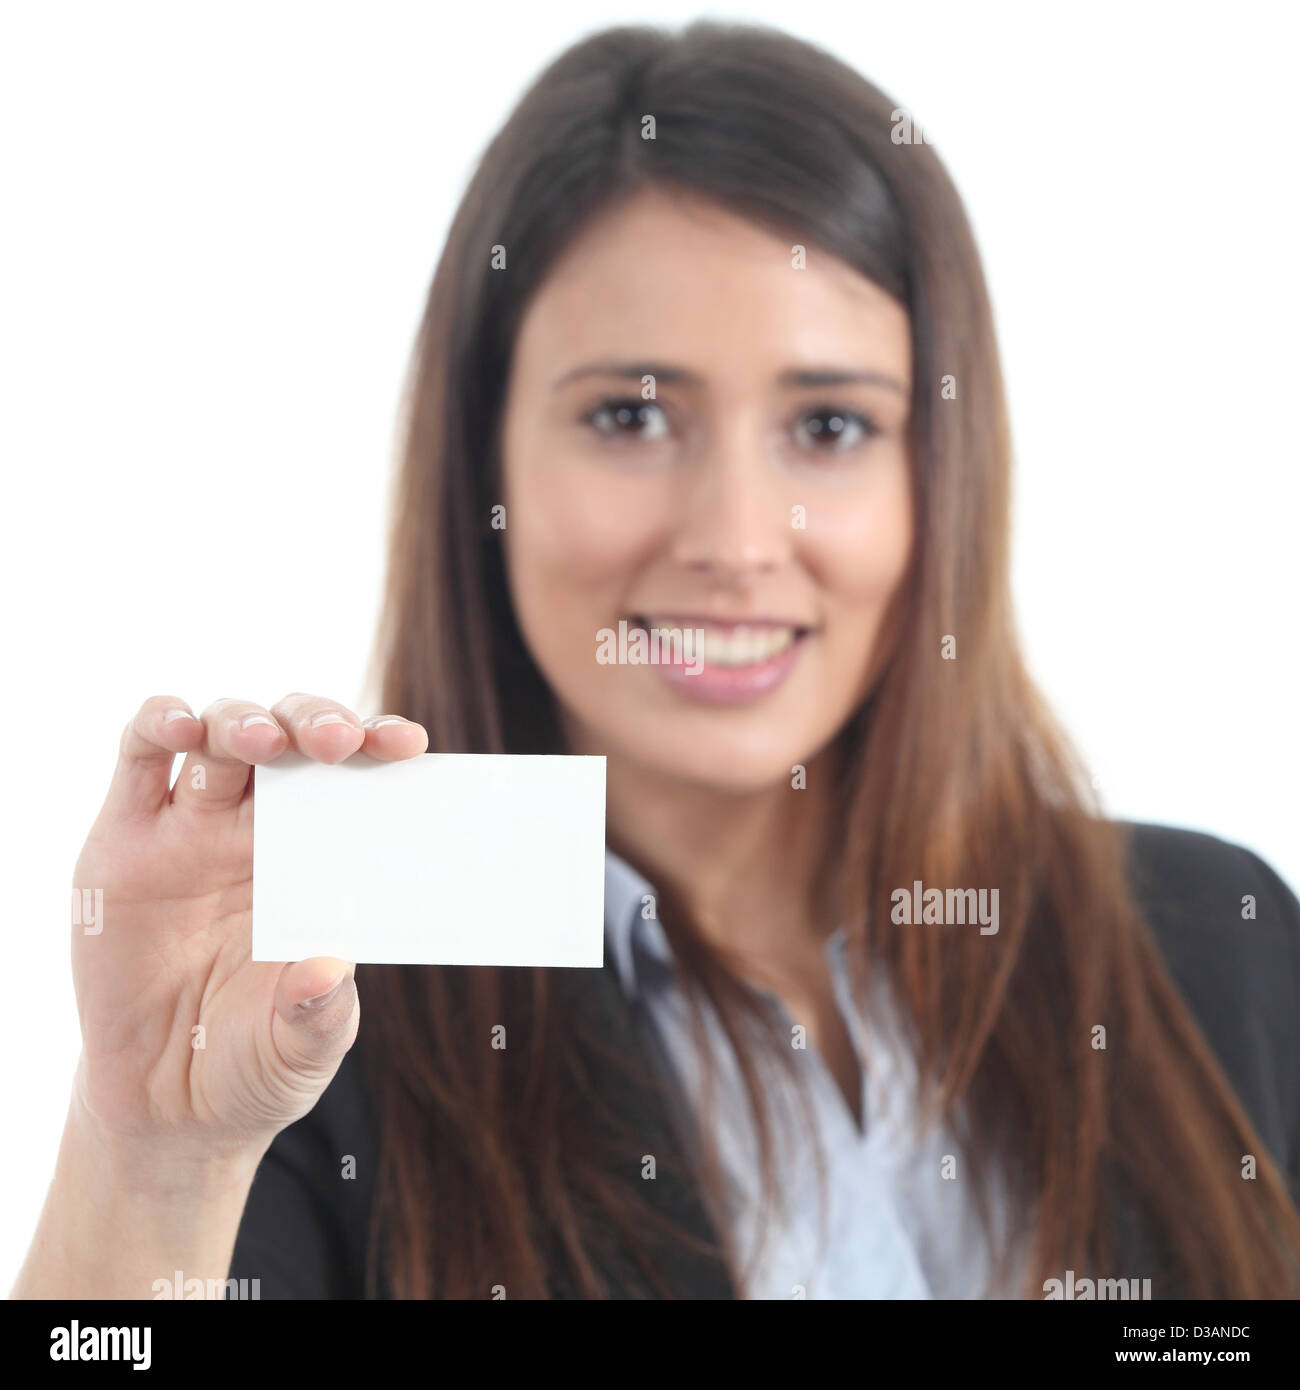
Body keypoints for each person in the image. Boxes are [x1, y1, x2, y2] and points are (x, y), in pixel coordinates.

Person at [15, 20, 1300, 1301]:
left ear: (937, 477)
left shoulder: (1218, 944)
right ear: (485, 463)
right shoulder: (306, 1024)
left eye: (830, 424)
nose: (737, 542)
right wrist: (153, 1158)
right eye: (629, 416)